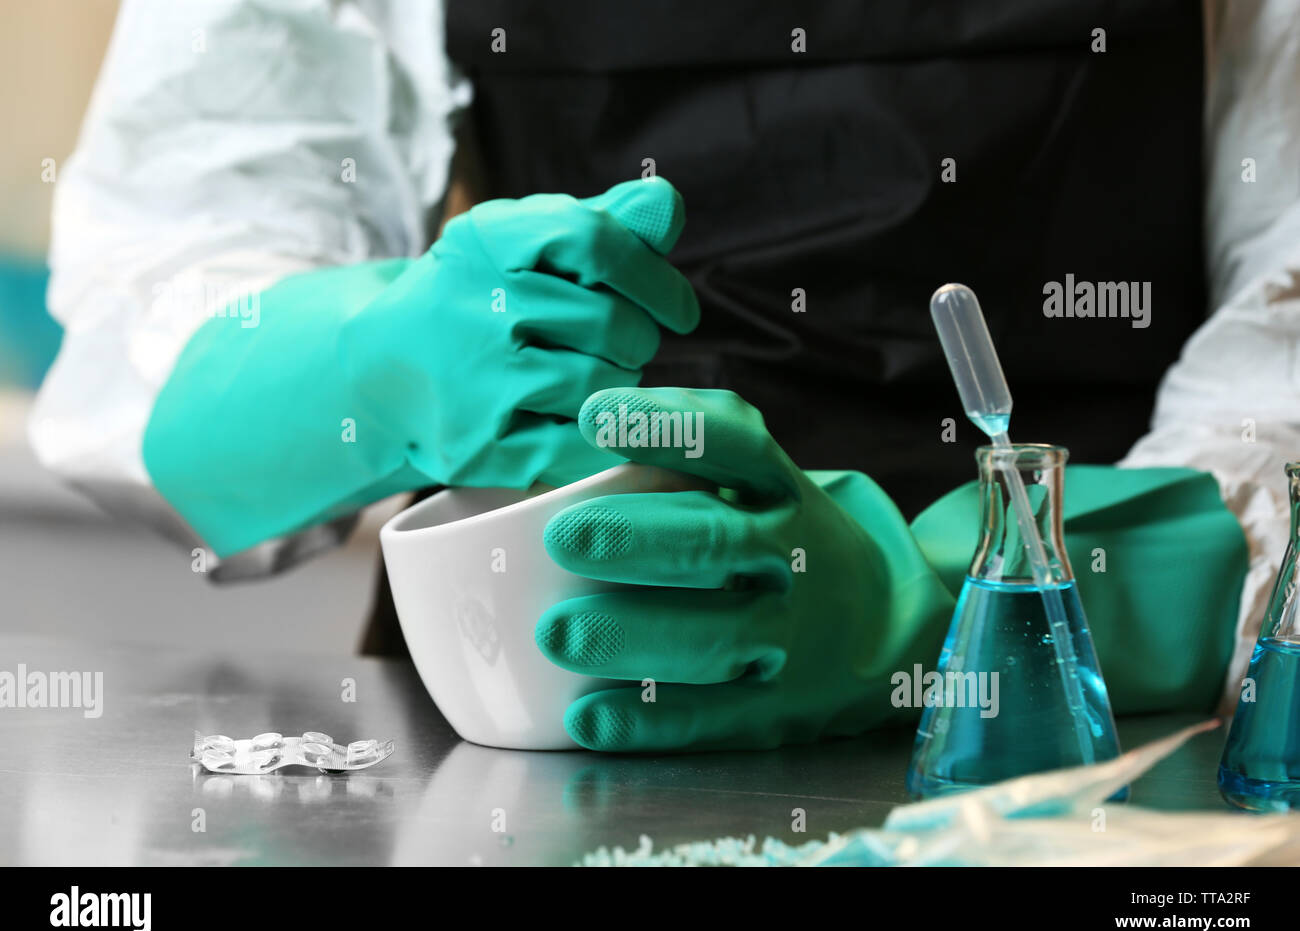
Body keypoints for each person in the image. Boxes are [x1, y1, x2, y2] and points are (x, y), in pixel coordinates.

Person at [29, 0, 1298, 750]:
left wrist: (936, 608)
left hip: (1095, 740)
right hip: (542, 704)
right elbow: (167, 291)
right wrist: (368, 362)